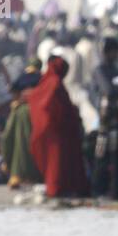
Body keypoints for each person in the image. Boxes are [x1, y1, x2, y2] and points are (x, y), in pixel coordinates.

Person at [27, 55, 88, 199]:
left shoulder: (47, 82)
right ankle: (57, 188)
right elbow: (57, 107)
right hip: (57, 130)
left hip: (50, 129)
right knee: (57, 162)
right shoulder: (55, 84)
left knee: (54, 163)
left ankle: (55, 188)